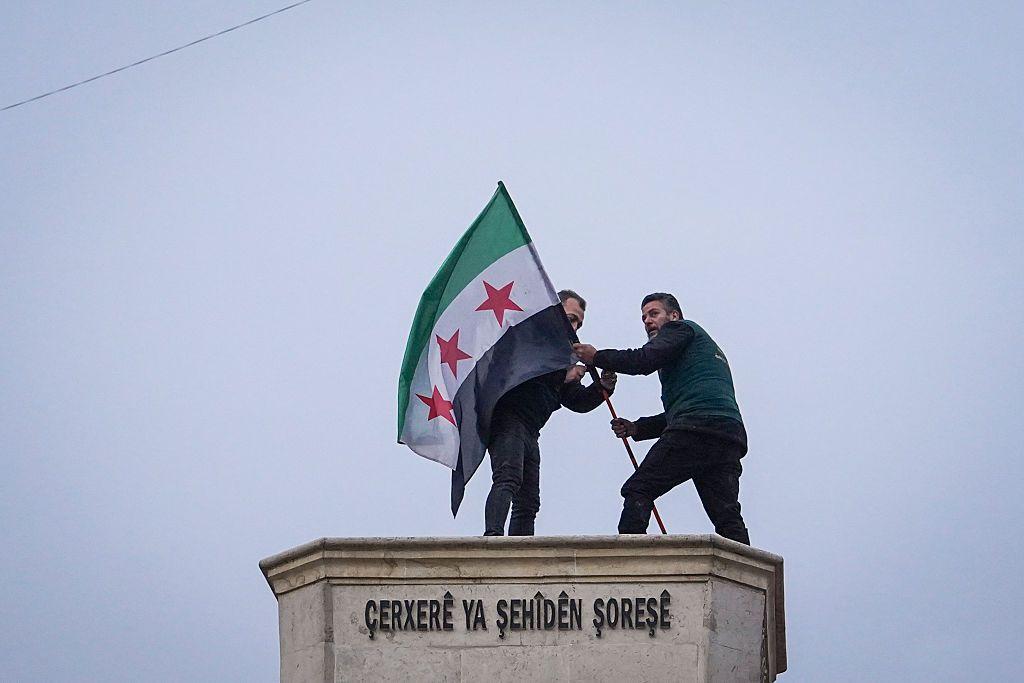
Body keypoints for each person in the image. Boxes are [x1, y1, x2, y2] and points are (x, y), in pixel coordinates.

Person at [572, 292, 750, 545]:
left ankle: (631, 564)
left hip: (696, 430)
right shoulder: (698, 353)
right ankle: (744, 579)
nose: (647, 321)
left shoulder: (681, 329)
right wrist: (638, 428)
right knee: (727, 516)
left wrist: (597, 357)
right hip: (726, 436)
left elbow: (643, 360)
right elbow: (686, 410)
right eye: (643, 317)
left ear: (674, 315)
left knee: (638, 490)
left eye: (653, 313)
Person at [484, 289, 617, 536]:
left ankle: (519, 556)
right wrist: (563, 373)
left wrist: (602, 388)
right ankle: (492, 540)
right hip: (508, 418)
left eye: (578, 322)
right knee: (508, 477)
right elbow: (515, 370)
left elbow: (575, 400)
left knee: (528, 502)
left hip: (531, 430)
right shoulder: (531, 335)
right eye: (571, 317)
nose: (575, 326)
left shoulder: (564, 355)